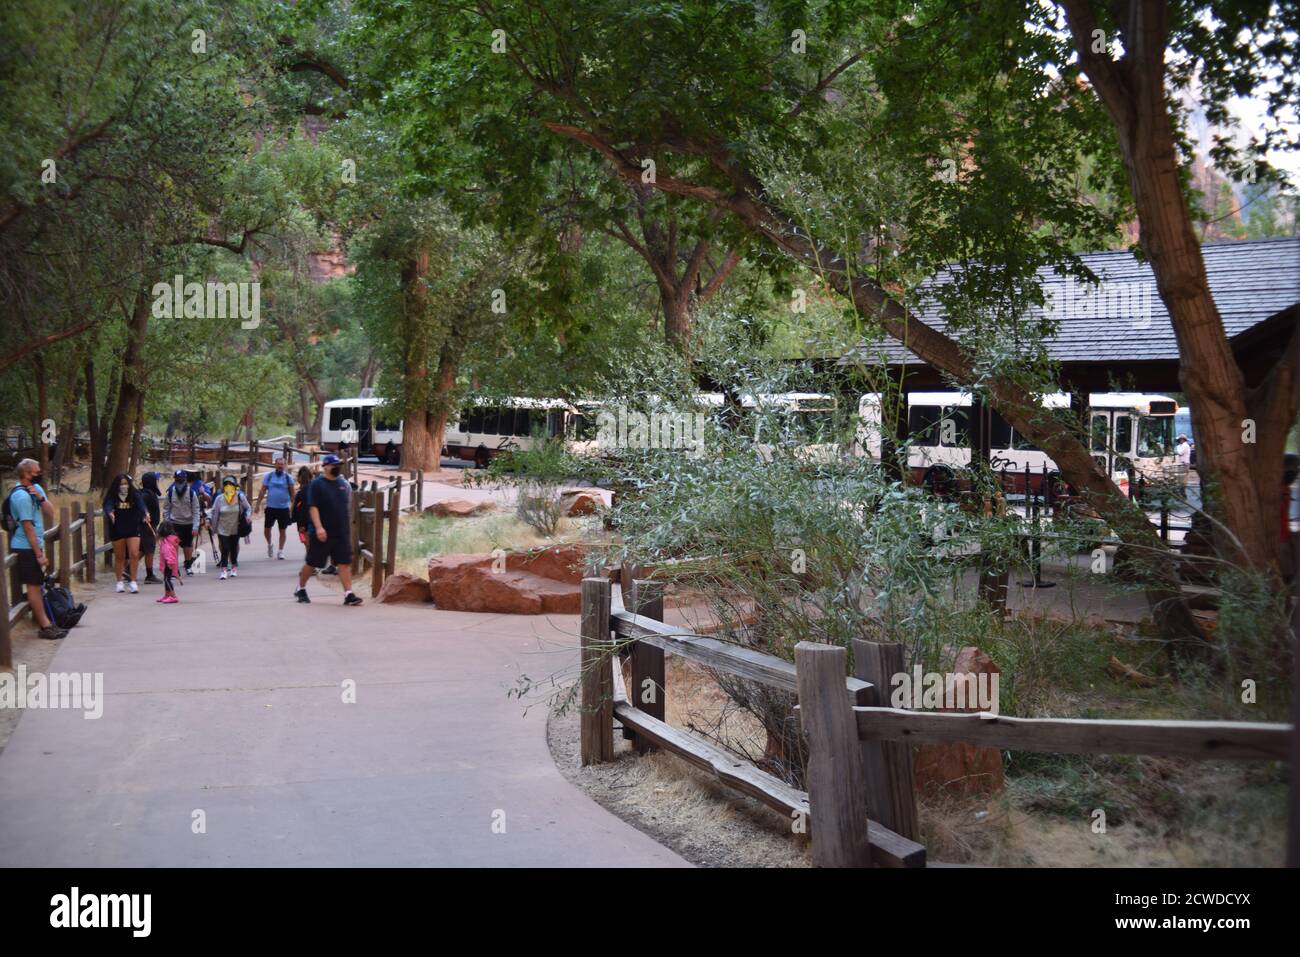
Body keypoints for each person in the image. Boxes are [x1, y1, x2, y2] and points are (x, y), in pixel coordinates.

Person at [3, 459, 66, 639]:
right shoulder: (20, 496)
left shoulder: (36, 490)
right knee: (34, 587)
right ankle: (45, 626)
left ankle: (46, 622)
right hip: (25, 546)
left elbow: (50, 511)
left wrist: (40, 497)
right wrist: (38, 554)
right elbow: (27, 526)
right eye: (37, 471)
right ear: (28, 473)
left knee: (38, 585)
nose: (40, 474)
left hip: (35, 544)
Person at [295, 454, 362, 606]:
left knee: (344, 563)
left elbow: (346, 507)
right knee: (312, 563)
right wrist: (319, 528)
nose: (337, 467)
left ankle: (348, 594)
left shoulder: (343, 484)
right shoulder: (317, 485)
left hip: (341, 532)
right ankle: (301, 588)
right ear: (325, 467)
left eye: (338, 464)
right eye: (334, 465)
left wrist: (348, 528)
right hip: (323, 533)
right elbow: (313, 507)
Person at [104, 473, 149, 593]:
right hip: (117, 528)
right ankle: (119, 582)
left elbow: (141, 505)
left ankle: (133, 582)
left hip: (132, 527)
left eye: (125, 484)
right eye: (121, 484)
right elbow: (107, 506)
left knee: (134, 554)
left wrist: (146, 513)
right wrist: (110, 513)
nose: (124, 486)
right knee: (120, 557)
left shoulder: (134, 494)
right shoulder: (112, 496)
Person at [209, 476, 252, 581]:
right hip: (222, 528)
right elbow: (213, 511)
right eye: (226, 484)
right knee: (225, 548)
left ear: (234, 486)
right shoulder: (219, 498)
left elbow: (248, 508)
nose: (228, 486)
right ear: (223, 487)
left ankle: (234, 567)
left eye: (231, 484)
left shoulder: (240, 497)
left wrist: (247, 516)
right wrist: (208, 520)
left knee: (233, 549)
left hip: (235, 527)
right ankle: (224, 570)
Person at [163, 469, 202, 575]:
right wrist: (167, 523)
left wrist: (195, 526)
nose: (179, 481)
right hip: (174, 523)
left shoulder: (191, 493)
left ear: (185, 480)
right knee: (173, 546)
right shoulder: (170, 493)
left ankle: (188, 565)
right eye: (177, 479)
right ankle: (174, 568)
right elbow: (166, 509)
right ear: (175, 480)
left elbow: (196, 511)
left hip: (188, 523)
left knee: (188, 545)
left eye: (182, 479)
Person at [256, 457, 295, 560]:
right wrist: (257, 505)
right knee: (266, 530)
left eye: (282, 464)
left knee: (282, 530)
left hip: (283, 508)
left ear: (285, 465)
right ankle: (270, 544)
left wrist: (293, 507)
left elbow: (293, 494)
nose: (280, 466)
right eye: (278, 464)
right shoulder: (269, 477)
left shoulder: (288, 477)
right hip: (271, 508)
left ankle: (280, 551)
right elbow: (262, 491)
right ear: (275, 465)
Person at [139, 471, 163, 583]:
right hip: (147, 526)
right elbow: (141, 504)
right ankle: (149, 575)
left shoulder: (149, 492)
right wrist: (145, 513)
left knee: (143, 549)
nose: (157, 482)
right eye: (156, 480)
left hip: (149, 526)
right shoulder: (146, 494)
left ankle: (128, 568)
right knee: (149, 550)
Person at [155, 519, 181, 604]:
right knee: (166, 579)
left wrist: (169, 563)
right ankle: (167, 595)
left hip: (168, 563)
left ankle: (173, 596)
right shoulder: (168, 540)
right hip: (169, 563)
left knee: (167, 580)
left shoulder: (167, 542)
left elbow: (168, 553)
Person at [291, 465, 313, 545]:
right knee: (309, 542)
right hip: (314, 519)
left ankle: (310, 556)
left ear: (299, 477)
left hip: (303, 520)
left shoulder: (302, 491)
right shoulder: (315, 487)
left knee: (306, 542)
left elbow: (302, 508)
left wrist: (301, 524)